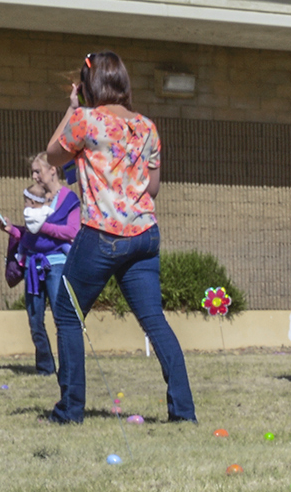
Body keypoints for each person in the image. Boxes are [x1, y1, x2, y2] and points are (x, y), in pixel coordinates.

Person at [44, 50, 193, 424]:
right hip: (145, 235)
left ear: (90, 84)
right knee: (154, 321)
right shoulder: (147, 126)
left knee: (67, 314)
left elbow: (51, 156)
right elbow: (153, 187)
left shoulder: (84, 121)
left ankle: (70, 410)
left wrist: (71, 107)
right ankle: (184, 413)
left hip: (101, 235)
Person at [0, 151, 78, 376]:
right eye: (32, 171)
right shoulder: (35, 197)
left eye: (38, 171)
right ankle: (45, 367)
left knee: (62, 318)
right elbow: (31, 236)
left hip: (57, 264)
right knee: (34, 319)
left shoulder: (69, 199)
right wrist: (12, 230)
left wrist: (42, 226)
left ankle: (68, 368)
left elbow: (72, 231)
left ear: (53, 170)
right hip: (33, 265)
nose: (34, 176)